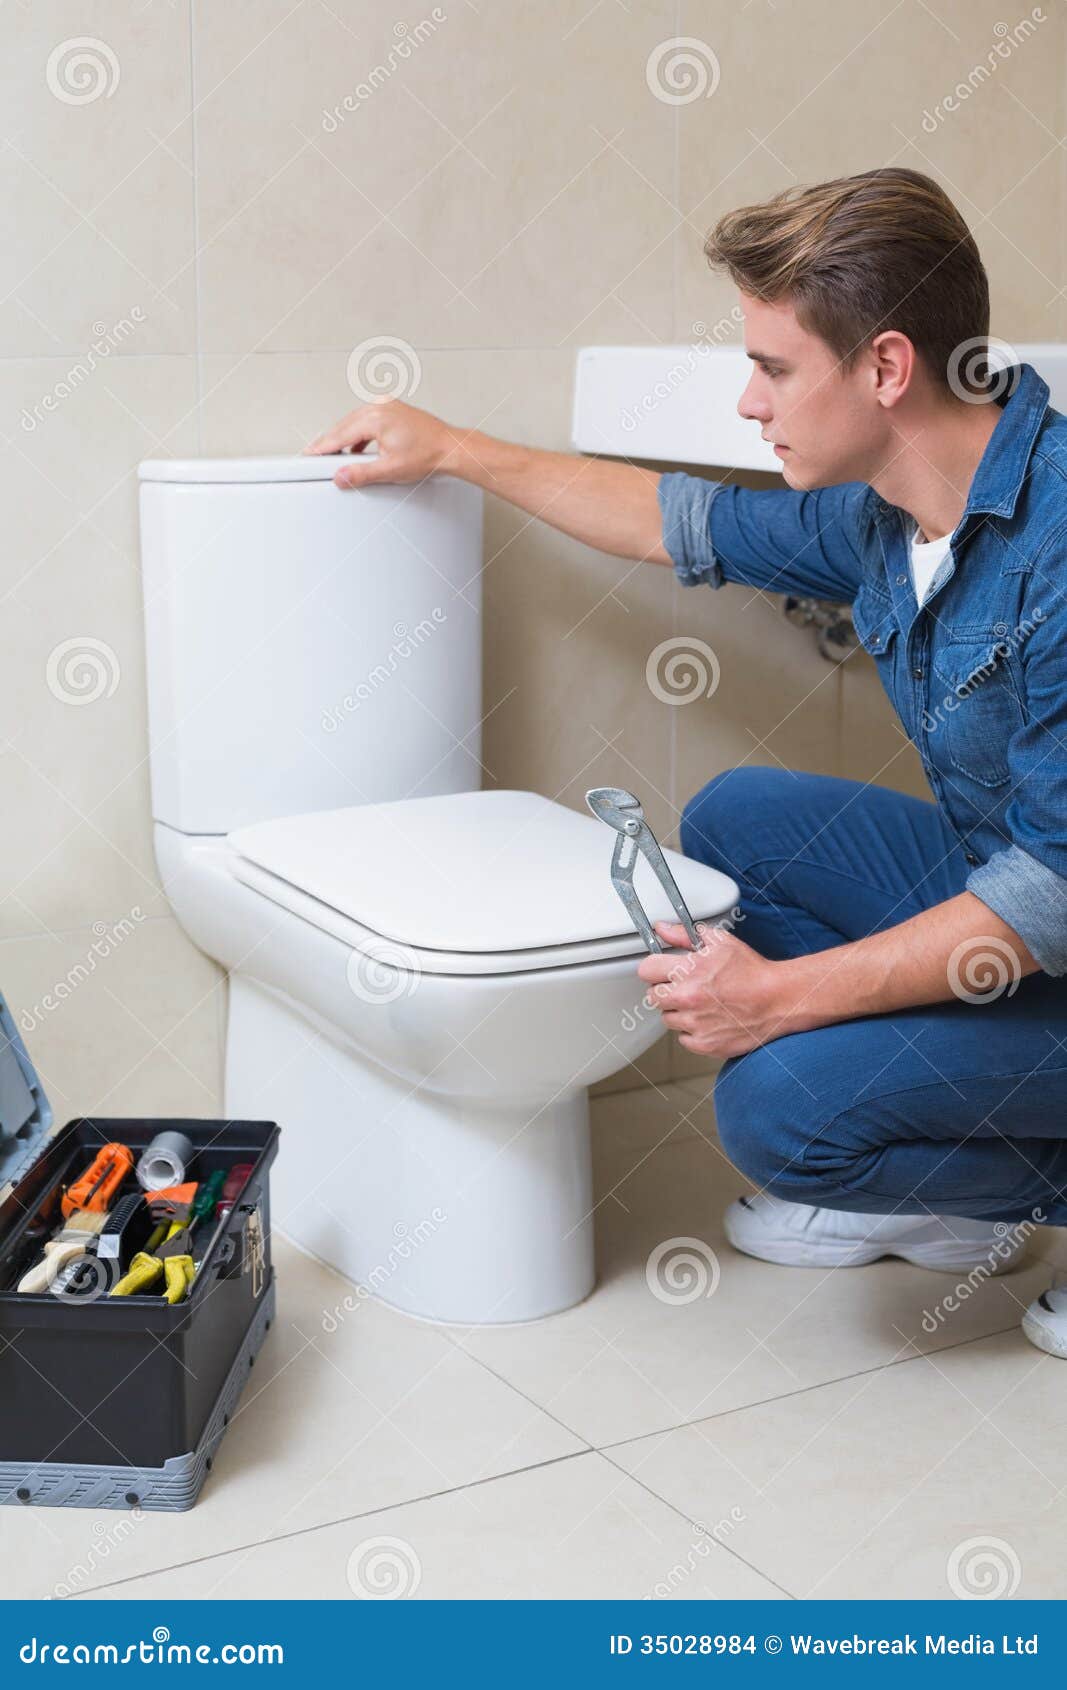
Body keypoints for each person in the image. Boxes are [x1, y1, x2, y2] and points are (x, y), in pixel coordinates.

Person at [306, 167, 1067, 1358]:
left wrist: (782, 999)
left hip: (1051, 919)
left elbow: (1052, 896)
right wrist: (451, 447)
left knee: (780, 1114)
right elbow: (680, 523)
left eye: (771, 368)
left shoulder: (1058, 544)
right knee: (738, 819)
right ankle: (945, 1185)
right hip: (1022, 912)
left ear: (882, 368)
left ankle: (970, 1153)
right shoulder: (892, 508)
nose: (747, 406)